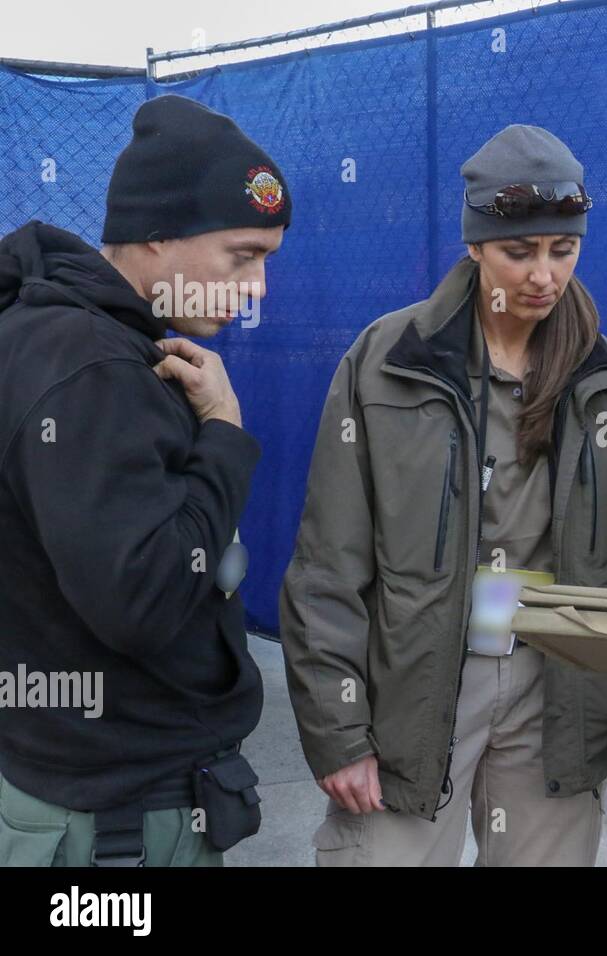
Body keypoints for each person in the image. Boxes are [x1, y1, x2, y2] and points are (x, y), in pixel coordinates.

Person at [281, 124, 607, 866]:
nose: (543, 275)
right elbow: (328, 565)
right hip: (413, 686)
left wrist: (605, 673)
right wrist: (338, 727)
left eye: (564, 249)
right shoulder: (388, 363)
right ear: (477, 246)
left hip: (552, 686)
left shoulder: (606, 377)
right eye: (519, 251)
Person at [0, 95, 289, 866]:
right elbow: (146, 597)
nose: (258, 286)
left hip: (89, 785)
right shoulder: (89, 365)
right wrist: (224, 437)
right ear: (157, 234)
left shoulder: (65, 336)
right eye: (242, 254)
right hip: (115, 823)